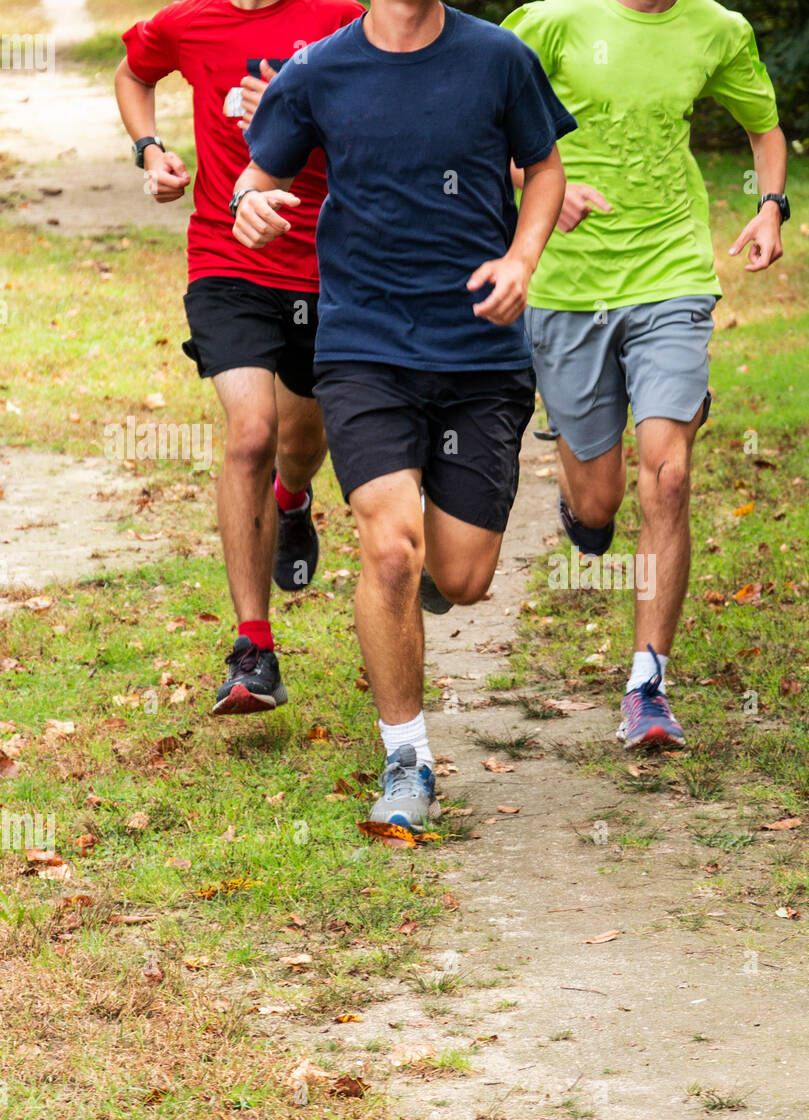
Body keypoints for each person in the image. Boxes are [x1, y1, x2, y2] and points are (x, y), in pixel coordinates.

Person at [232, 0, 573, 827]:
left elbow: (547, 167)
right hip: (363, 348)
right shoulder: (319, 69)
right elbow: (257, 175)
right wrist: (252, 205)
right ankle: (407, 758)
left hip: (480, 354)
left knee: (460, 575)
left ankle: (425, 582)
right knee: (390, 552)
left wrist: (523, 257)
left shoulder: (499, 58)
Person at [504, 0, 787, 751]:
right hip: (569, 286)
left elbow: (765, 126)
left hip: (672, 272)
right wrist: (543, 190)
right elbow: (481, 119)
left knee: (666, 477)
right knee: (598, 510)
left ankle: (647, 685)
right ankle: (578, 464)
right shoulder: (551, 20)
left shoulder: (718, 29)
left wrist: (770, 207)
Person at [115, 0, 363, 715]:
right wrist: (150, 150)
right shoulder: (188, 21)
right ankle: (253, 649)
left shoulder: (342, 16)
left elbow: (382, 125)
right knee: (252, 432)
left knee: (301, 439)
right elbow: (134, 74)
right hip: (228, 261)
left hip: (322, 262)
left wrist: (297, 113)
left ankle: (293, 502)